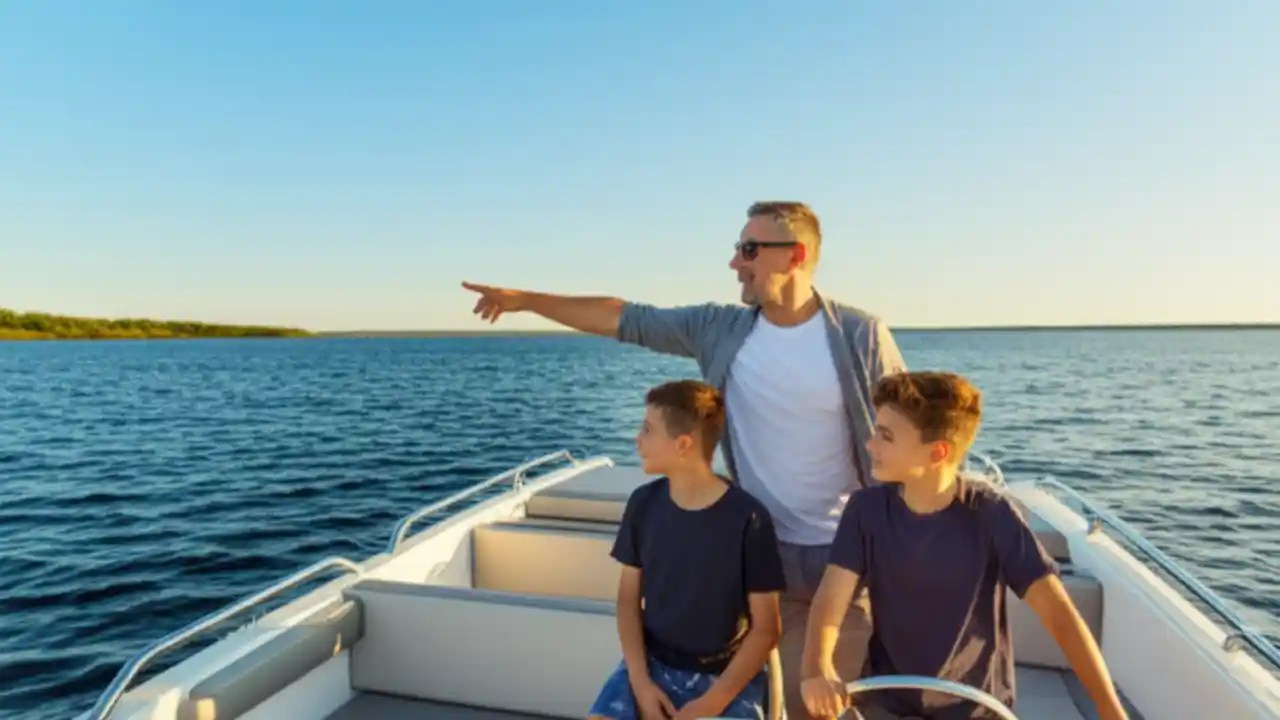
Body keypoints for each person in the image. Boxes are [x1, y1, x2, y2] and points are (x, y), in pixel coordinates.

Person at [464, 201, 906, 719]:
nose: (735, 262)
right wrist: (525, 301)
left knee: (827, 706)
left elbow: (907, 433)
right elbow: (627, 318)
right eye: (738, 249)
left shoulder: (859, 335)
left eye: (749, 249)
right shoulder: (719, 329)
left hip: (846, 558)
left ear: (796, 255)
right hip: (762, 553)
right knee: (779, 699)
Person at [800, 371, 1128, 720]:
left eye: (886, 436)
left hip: (977, 710)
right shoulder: (865, 511)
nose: (871, 444)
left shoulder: (993, 515)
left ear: (937, 452)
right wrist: (817, 667)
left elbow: (1058, 614)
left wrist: (1110, 710)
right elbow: (830, 599)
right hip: (888, 705)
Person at [588, 379, 785, 720]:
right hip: (651, 666)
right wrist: (641, 685)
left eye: (647, 430)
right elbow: (627, 602)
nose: (637, 440)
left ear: (682, 444)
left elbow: (766, 628)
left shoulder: (749, 519)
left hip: (726, 680)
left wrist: (711, 704)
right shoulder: (642, 504)